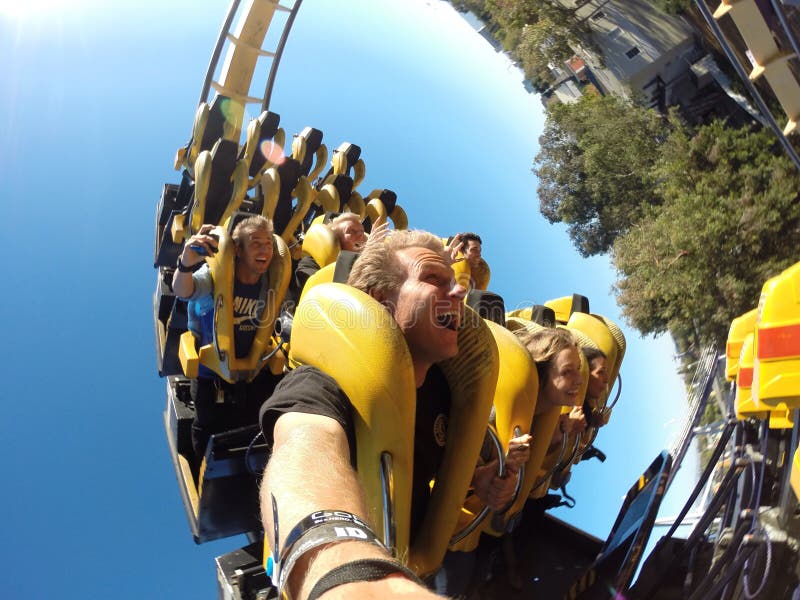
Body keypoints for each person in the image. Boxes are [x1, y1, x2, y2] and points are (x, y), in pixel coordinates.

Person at [258, 229, 519, 600]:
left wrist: (482, 482)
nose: (459, 292)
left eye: (455, 282)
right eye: (433, 279)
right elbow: (303, 454)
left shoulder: (447, 394)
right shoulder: (324, 383)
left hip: (418, 564)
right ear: (381, 300)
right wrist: (345, 567)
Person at [172, 215, 282, 461]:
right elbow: (183, 290)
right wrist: (186, 263)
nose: (264, 249)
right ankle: (203, 472)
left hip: (251, 366)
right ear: (238, 250)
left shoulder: (272, 280)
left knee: (265, 419)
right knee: (205, 425)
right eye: (255, 243)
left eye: (268, 244)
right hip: (211, 370)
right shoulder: (216, 274)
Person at [293, 213, 370, 297]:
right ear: (335, 239)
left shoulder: (367, 271)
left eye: (361, 232)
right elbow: (323, 297)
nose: (360, 235)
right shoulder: (309, 264)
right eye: (351, 231)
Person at [582, 347, 610, 428]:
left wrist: (590, 421)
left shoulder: (587, 413)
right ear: (585, 373)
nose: (606, 380)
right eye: (600, 372)